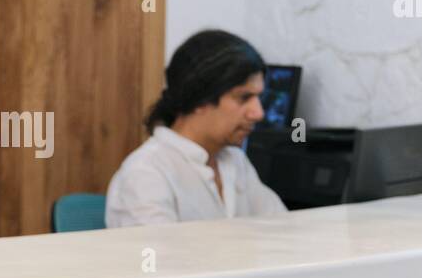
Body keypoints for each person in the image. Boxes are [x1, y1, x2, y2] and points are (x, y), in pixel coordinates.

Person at [105, 29, 287, 227]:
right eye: (244, 98)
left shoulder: (234, 161)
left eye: (259, 97)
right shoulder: (146, 174)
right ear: (200, 100)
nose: (258, 113)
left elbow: (281, 228)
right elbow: (161, 258)